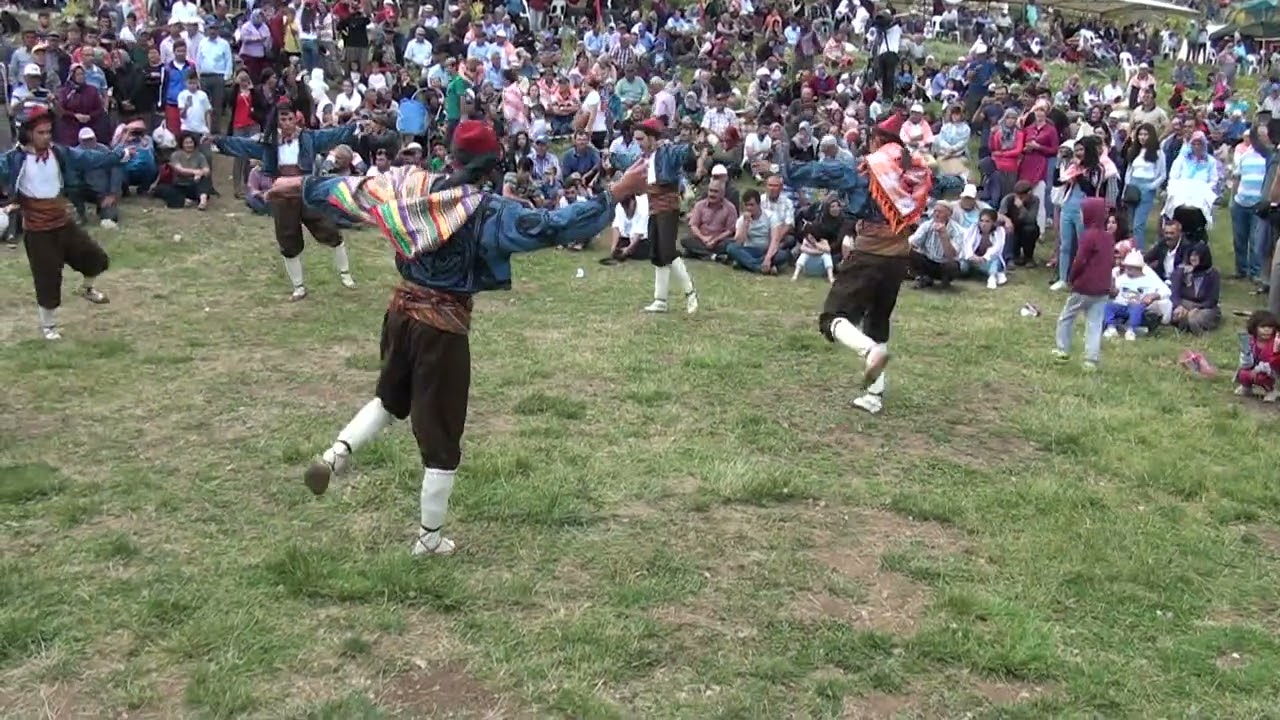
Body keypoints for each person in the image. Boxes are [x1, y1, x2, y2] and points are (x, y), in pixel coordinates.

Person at [280, 120, 649, 555]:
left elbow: (351, 189)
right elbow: (553, 225)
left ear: (450, 154)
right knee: (441, 431)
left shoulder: (408, 184)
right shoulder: (489, 212)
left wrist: (304, 186)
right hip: (442, 329)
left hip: (400, 315)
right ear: (494, 165)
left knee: (389, 398)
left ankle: (335, 454)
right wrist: (617, 192)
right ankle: (429, 539)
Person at [781, 115, 933, 414]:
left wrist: (785, 162)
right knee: (877, 321)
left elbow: (816, 173)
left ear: (877, 141)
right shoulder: (914, 171)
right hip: (899, 257)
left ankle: (870, 352)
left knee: (832, 317)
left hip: (870, 253)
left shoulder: (866, 169)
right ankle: (874, 396)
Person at [0, 107, 133, 340]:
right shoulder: (13, 160)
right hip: (38, 230)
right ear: (29, 134)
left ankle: (86, 288)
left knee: (96, 258)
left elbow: (88, 158)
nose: (47, 136)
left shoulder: (59, 152)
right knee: (48, 278)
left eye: (49, 132)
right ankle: (48, 326)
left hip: (62, 222)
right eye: (41, 132)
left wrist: (117, 154)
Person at [207, 102, 363, 300]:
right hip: (282, 194)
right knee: (287, 240)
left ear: (295, 118)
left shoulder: (308, 138)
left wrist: (353, 126)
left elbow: (333, 135)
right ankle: (298, 287)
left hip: (306, 191)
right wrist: (218, 141)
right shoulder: (270, 143)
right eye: (283, 119)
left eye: (290, 118)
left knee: (330, 231)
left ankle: (345, 274)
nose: (287, 123)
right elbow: (244, 146)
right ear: (278, 121)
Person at [624, 117, 700, 315]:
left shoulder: (666, 152)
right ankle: (660, 299)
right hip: (653, 207)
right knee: (657, 252)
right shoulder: (645, 158)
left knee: (667, 250)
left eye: (641, 139)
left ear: (651, 138)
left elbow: (683, 152)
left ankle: (690, 293)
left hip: (668, 206)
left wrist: (696, 146)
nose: (638, 143)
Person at [1054, 197, 1114, 371]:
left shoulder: (1088, 236)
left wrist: (1072, 277)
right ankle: (1091, 360)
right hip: (1102, 288)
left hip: (1084, 286)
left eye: (1082, 211)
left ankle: (1062, 349)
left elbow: (1080, 260)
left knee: (1066, 316)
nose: (1080, 215)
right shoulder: (1108, 237)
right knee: (1094, 323)